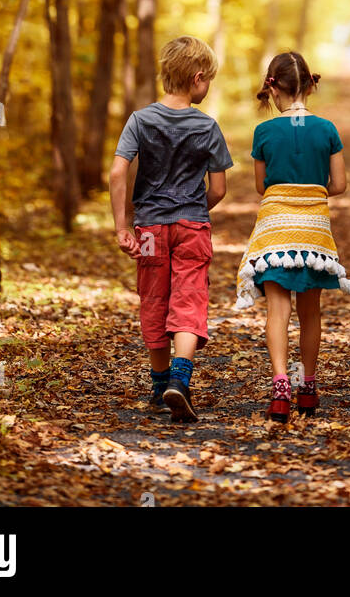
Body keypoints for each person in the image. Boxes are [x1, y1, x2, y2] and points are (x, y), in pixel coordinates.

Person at [109, 35, 233, 423]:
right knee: (189, 298)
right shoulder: (207, 126)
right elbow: (219, 189)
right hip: (191, 226)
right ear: (197, 78)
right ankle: (181, 378)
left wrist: (121, 227)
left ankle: (160, 384)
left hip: (149, 229)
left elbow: (116, 172)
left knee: (154, 299)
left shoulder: (140, 120)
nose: (207, 86)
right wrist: (197, 208)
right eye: (208, 79)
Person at [235, 51, 350, 423]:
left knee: (277, 309)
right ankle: (308, 386)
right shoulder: (327, 129)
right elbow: (339, 185)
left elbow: (261, 186)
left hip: (275, 231)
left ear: (272, 87)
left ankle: (280, 385)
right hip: (314, 233)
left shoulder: (264, 132)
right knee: (310, 311)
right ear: (309, 84)